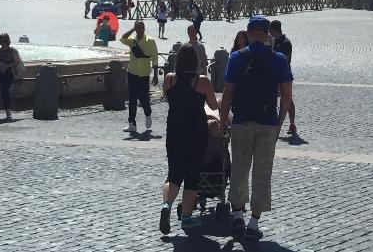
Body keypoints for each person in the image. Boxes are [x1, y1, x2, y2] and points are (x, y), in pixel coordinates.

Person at [220, 15, 293, 242]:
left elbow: (228, 94)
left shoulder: (236, 57)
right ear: (267, 34)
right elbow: (287, 95)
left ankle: (238, 215)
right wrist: (280, 123)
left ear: (250, 34)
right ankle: (254, 222)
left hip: (242, 121)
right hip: (267, 122)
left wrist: (224, 119)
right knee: (263, 173)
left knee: (240, 170)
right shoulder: (279, 59)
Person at [159, 44, 220, 233]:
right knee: (192, 176)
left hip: (175, 132)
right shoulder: (201, 81)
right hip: (196, 133)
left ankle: (166, 206)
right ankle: (186, 218)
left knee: (174, 174)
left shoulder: (169, 79)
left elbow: (169, 99)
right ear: (195, 61)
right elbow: (212, 105)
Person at [119, 20, 159, 134]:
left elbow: (155, 59)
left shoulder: (150, 41)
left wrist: (155, 75)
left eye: (141, 27)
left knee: (143, 98)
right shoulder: (132, 41)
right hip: (132, 72)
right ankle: (132, 123)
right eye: (137, 28)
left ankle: (148, 115)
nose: (139, 30)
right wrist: (132, 29)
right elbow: (123, 38)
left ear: (144, 28)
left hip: (144, 73)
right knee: (132, 99)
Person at [268, 20, 296, 135]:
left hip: (284, 76)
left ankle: (292, 123)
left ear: (274, 30)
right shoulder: (271, 41)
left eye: (270, 30)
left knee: (287, 99)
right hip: (272, 75)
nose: (268, 33)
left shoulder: (285, 43)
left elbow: (285, 60)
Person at [0, 32, 24, 121]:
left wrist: (7, 65)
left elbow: (17, 61)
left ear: (7, 41)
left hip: (10, 73)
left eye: (4, 41)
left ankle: (8, 111)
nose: (3, 43)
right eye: (1, 41)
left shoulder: (13, 51)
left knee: (4, 90)